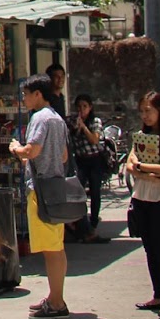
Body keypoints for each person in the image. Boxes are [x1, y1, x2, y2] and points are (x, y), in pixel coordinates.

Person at [9, 73, 70, 318]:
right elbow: (64, 156)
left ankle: (56, 302)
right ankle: (55, 296)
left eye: (26, 94)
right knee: (56, 247)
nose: (24, 99)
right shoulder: (57, 118)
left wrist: (15, 148)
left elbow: (31, 151)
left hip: (41, 188)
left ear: (38, 94)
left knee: (51, 250)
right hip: (56, 185)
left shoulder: (40, 118)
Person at [126, 90, 160, 318]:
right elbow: (130, 164)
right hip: (142, 197)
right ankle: (158, 294)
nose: (145, 116)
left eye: (148, 111)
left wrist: (141, 169)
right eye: (142, 112)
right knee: (149, 248)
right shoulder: (141, 135)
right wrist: (144, 172)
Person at [66, 94, 109, 243]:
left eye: (85, 107)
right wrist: (75, 128)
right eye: (79, 107)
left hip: (94, 159)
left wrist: (83, 127)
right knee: (78, 191)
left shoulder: (95, 122)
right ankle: (79, 223)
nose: (82, 110)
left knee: (95, 191)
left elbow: (94, 139)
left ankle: (94, 221)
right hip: (80, 160)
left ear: (90, 108)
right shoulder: (72, 121)